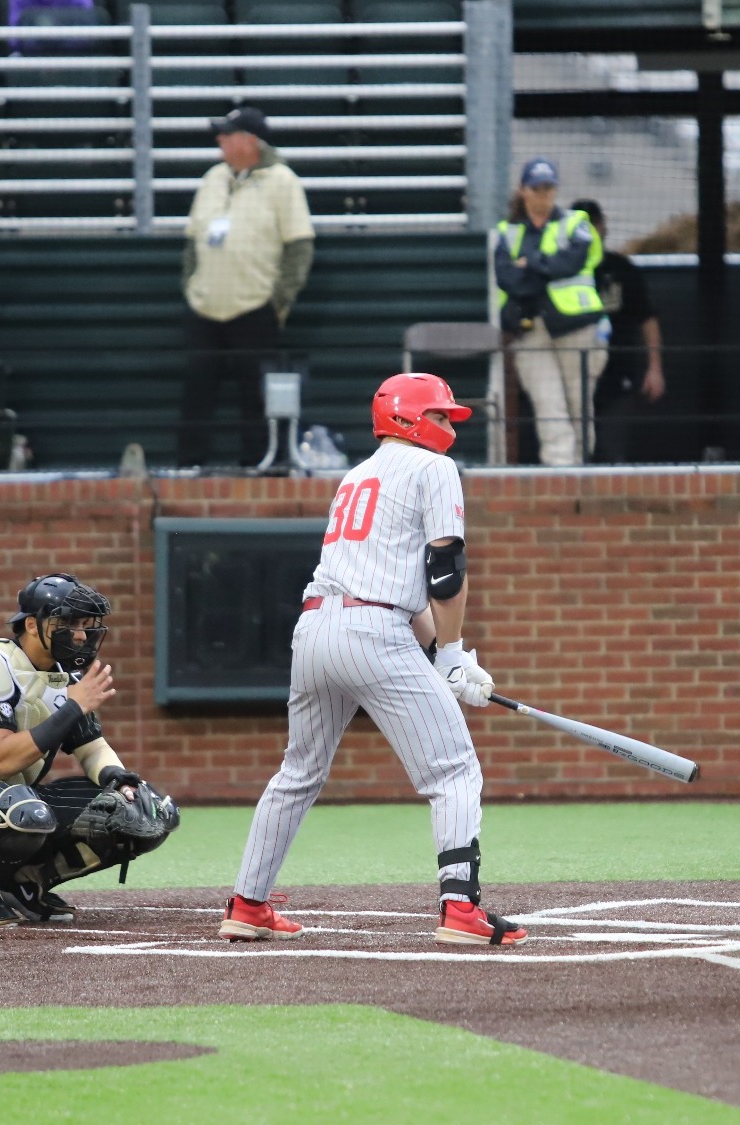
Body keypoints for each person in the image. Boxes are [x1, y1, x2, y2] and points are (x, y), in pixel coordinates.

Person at [222, 372, 526, 947]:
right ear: (409, 417)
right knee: (454, 770)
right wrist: (454, 654)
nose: (447, 427)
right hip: (372, 631)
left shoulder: (355, 475)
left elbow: (390, 583)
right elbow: (445, 572)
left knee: (298, 772)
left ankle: (247, 902)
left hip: (315, 629)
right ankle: (460, 907)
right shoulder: (433, 469)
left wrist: (442, 653)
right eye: (438, 415)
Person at [0, 573, 181, 926]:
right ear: (32, 625)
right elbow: (2, 760)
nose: (79, 634)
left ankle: (26, 885)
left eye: (84, 624)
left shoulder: (69, 676)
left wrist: (117, 778)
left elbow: (92, 749)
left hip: (20, 797)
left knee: (145, 812)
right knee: (29, 814)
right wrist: (73, 708)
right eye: (66, 622)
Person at [178, 105, 315, 467]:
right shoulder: (212, 178)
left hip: (254, 307)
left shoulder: (282, 181)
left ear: (249, 142)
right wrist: (192, 285)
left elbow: (299, 247)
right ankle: (190, 465)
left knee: (255, 395)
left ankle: (258, 466)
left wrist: (278, 302)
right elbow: (192, 241)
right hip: (205, 306)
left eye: (227, 135)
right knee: (196, 389)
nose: (220, 141)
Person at [496, 159, 606, 466]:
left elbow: (572, 262)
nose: (543, 195)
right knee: (548, 407)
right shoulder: (508, 232)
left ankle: (584, 471)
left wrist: (530, 265)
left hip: (575, 328)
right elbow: (506, 277)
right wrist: (547, 267)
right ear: (523, 191)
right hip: (530, 329)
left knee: (578, 404)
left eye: (548, 188)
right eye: (536, 188)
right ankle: (562, 477)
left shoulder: (576, 223)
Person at [572, 199, 665, 463]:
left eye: (592, 224)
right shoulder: (564, 272)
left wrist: (655, 368)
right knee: (577, 449)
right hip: (576, 373)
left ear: (602, 227)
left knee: (611, 450)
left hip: (618, 373)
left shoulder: (622, 269)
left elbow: (648, 318)